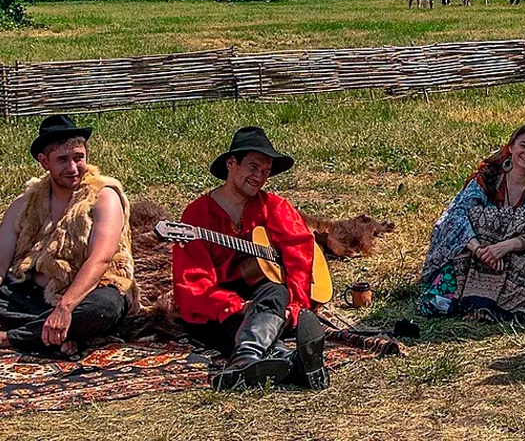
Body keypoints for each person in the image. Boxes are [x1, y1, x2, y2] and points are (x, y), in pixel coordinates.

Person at [172, 127, 327, 391]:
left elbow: (302, 252)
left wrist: (297, 305)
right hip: (215, 305)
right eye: (253, 167)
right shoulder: (197, 214)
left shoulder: (274, 207)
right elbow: (193, 281)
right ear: (231, 164)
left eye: (265, 172)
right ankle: (289, 362)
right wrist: (235, 305)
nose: (259, 177)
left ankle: (242, 362)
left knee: (276, 292)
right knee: (228, 323)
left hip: (265, 301)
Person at [0, 116, 136, 357]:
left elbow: (100, 260)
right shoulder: (25, 203)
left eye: (78, 158)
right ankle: (59, 336)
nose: (73, 168)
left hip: (87, 293)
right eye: (62, 160)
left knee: (105, 307)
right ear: (44, 162)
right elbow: (1, 264)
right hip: (33, 296)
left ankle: (13, 338)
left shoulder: (104, 197)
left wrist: (65, 307)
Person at [419, 125, 525, 320]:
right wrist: (480, 250)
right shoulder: (487, 180)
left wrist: (505, 247)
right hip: (476, 252)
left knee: (522, 225)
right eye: (523, 146)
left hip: (514, 257)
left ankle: (486, 304)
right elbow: (456, 214)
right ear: (510, 148)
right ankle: (471, 301)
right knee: (479, 218)